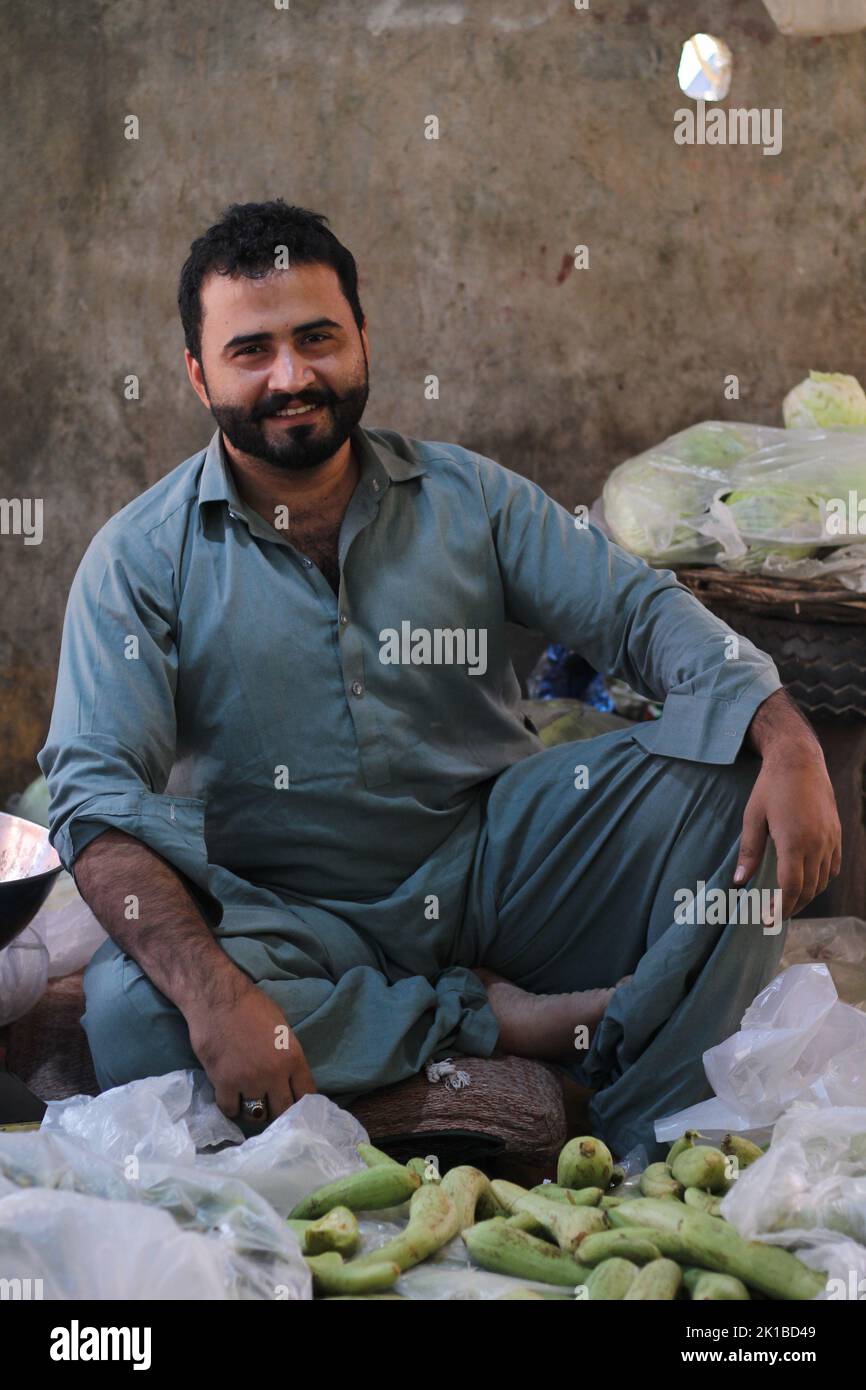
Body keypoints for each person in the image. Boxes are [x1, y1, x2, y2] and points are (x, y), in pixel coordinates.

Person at [38, 200, 842, 1157]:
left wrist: (784, 734)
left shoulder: (470, 497)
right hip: (283, 918)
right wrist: (221, 997)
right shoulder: (138, 557)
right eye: (252, 350)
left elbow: (635, 613)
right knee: (135, 1020)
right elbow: (94, 800)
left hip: (499, 869)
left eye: (317, 338)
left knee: (734, 790)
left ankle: (652, 1147)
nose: (292, 377)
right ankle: (498, 1030)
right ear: (196, 374)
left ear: (364, 340)